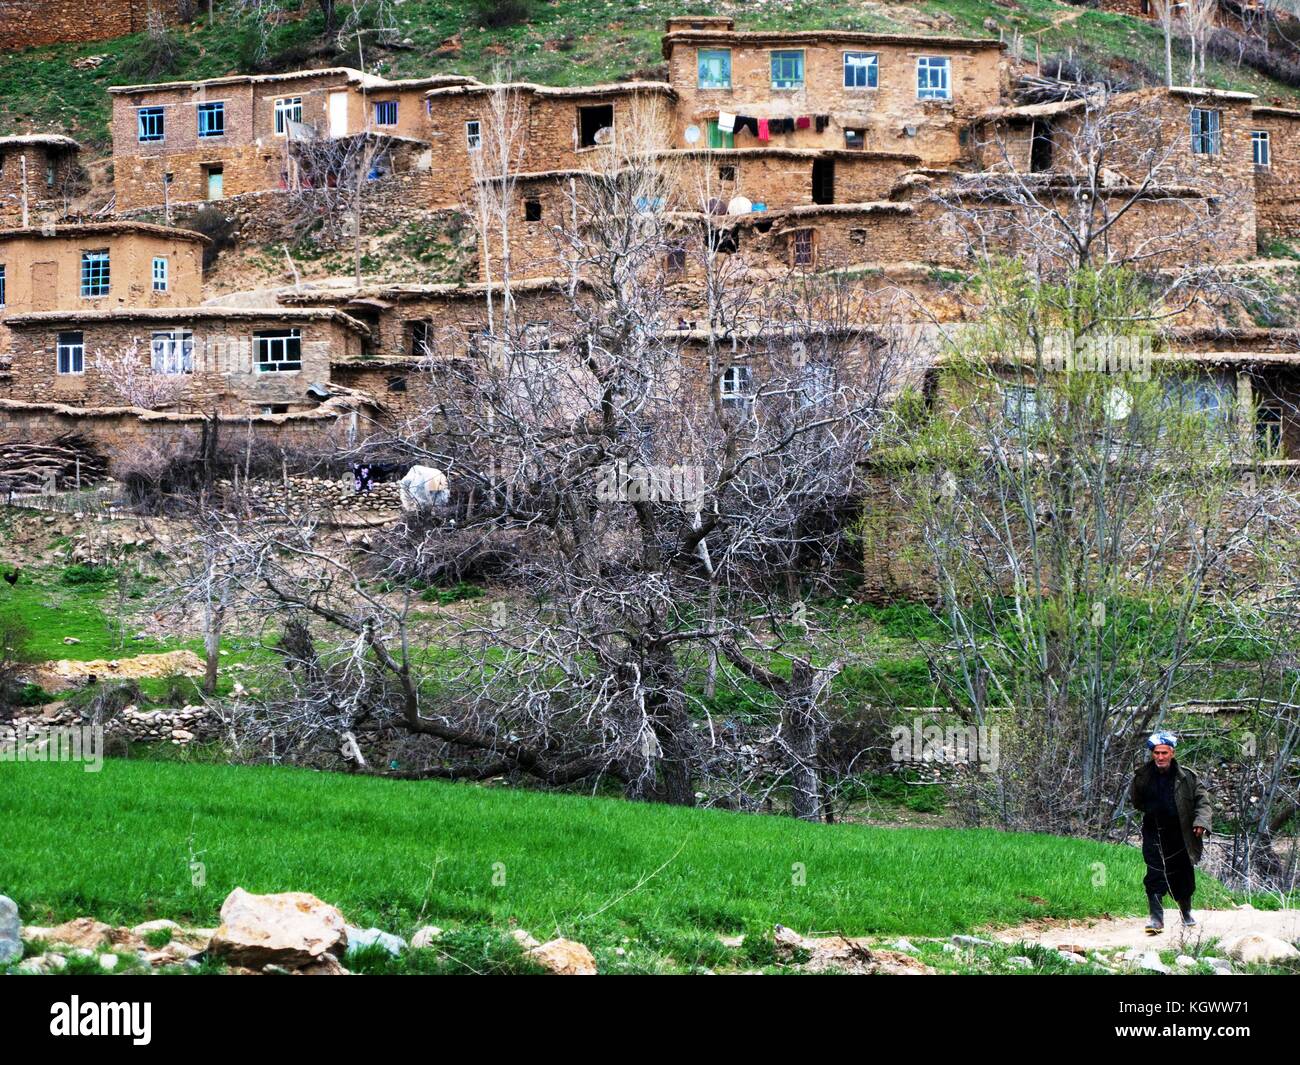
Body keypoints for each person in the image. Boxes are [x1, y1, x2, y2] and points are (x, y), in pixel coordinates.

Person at [1128, 731, 1212, 935]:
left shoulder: (1188, 777)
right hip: (1154, 833)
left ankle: (1186, 913)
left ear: (1172, 753)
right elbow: (1137, 801)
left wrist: (1201, 822)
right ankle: (1156, 919)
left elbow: (1203, 801)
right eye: (1156, 753)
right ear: (1152, 754)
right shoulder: (1142, 776)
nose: (1160, 757)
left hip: (1180, 834)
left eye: (1164, 753)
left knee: (1182, 873)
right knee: (1154, 873)